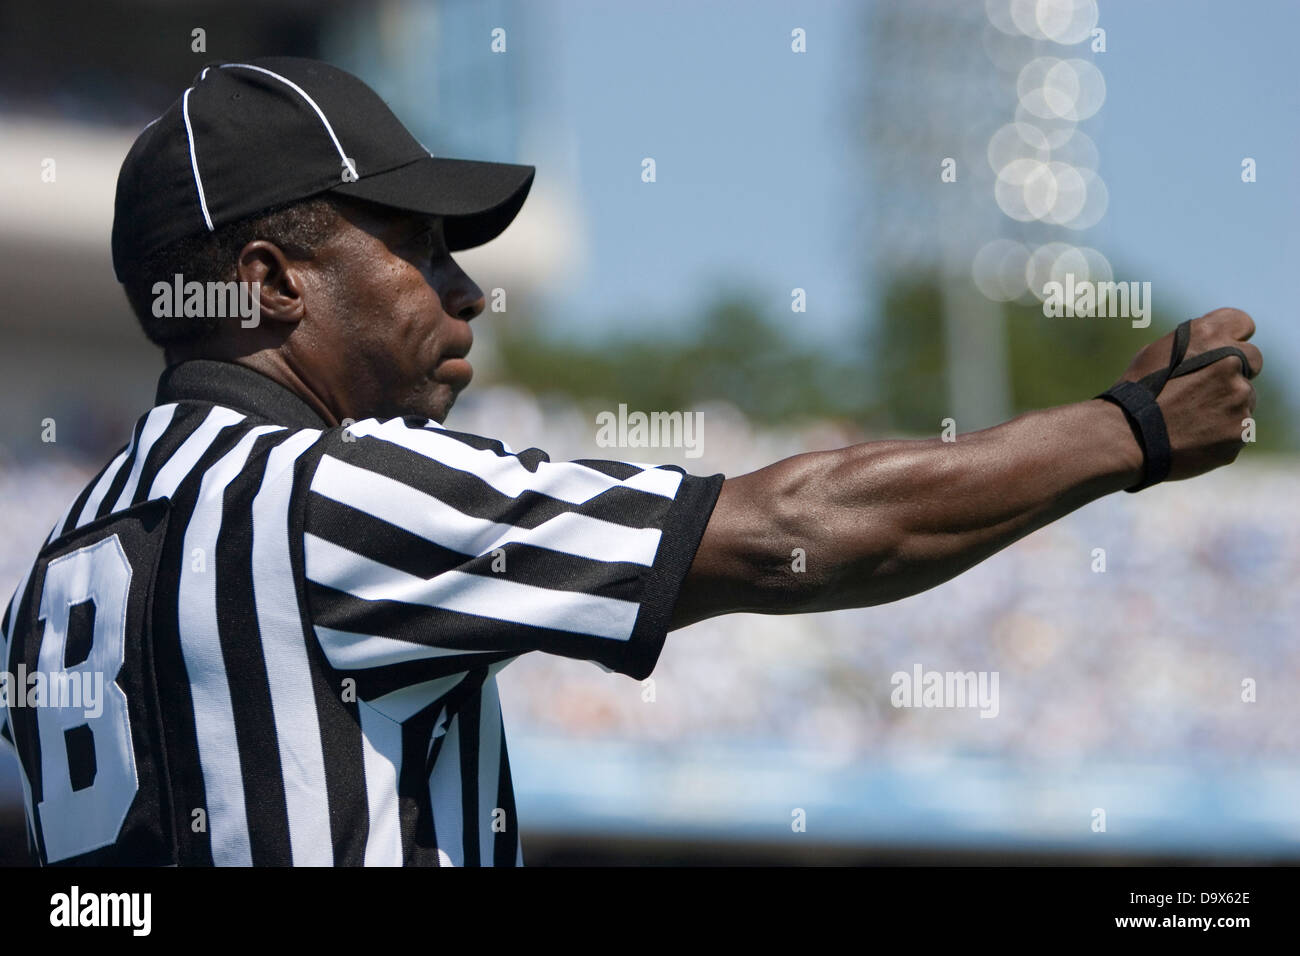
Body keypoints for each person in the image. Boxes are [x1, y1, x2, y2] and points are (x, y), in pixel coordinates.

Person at [0, 57, 1262, 866]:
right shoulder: (335, 494)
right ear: (275, 283)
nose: (466, 290)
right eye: (418, 247)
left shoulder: (62, 559)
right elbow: (786, 534)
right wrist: (1128, 433)